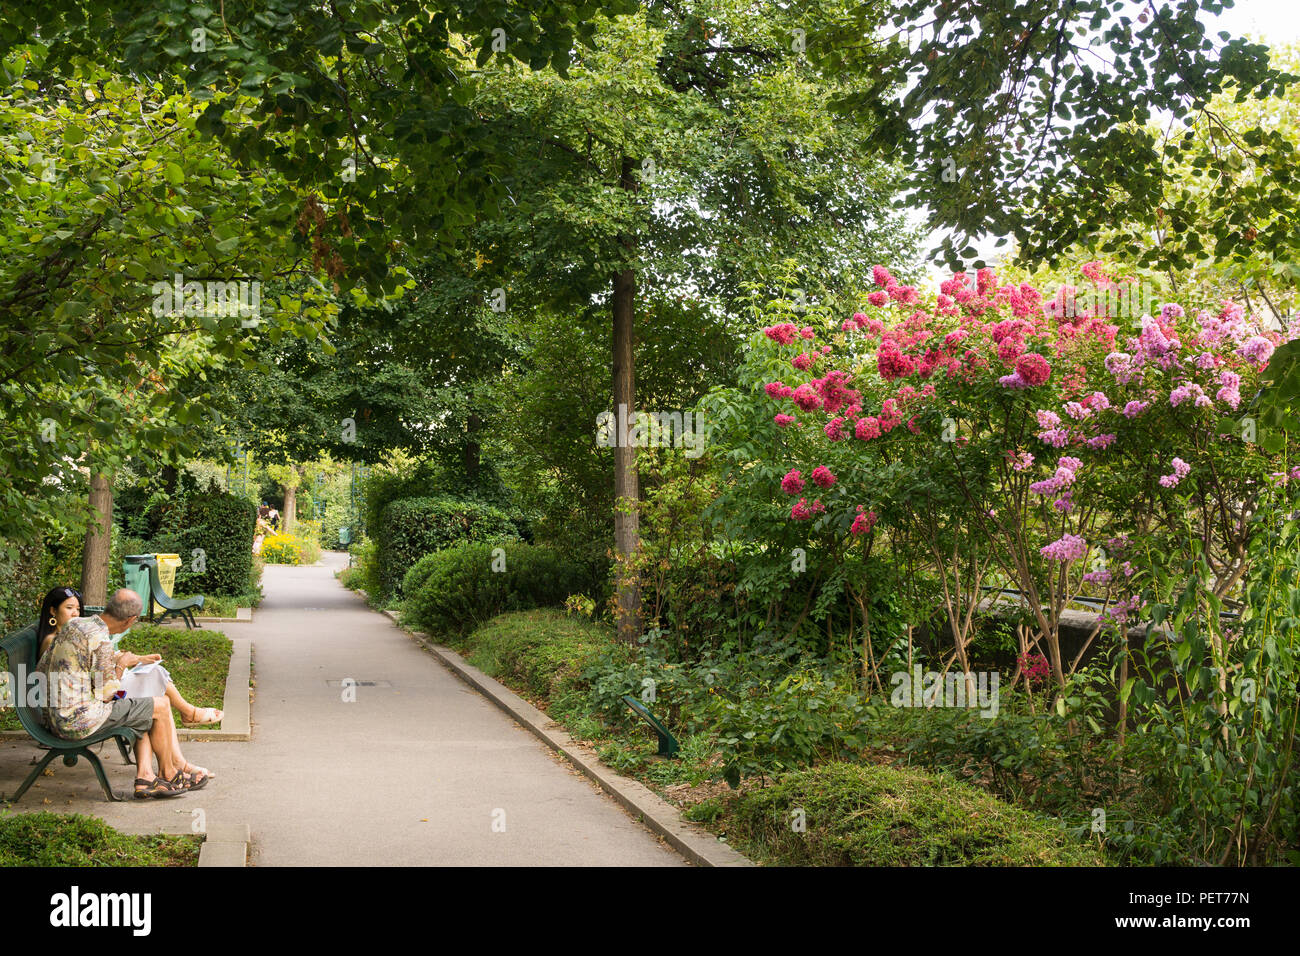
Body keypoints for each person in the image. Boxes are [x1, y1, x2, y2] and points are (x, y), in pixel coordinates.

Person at [37, 587, 220, 785]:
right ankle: (168, 773)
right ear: (130, 621)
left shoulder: (76, 626)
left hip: (58, 715)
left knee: (145, 706)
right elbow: (107, 696)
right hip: (76, 721)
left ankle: (149, 777)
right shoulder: (100, 639)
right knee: (161, 705)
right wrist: (122, 664)